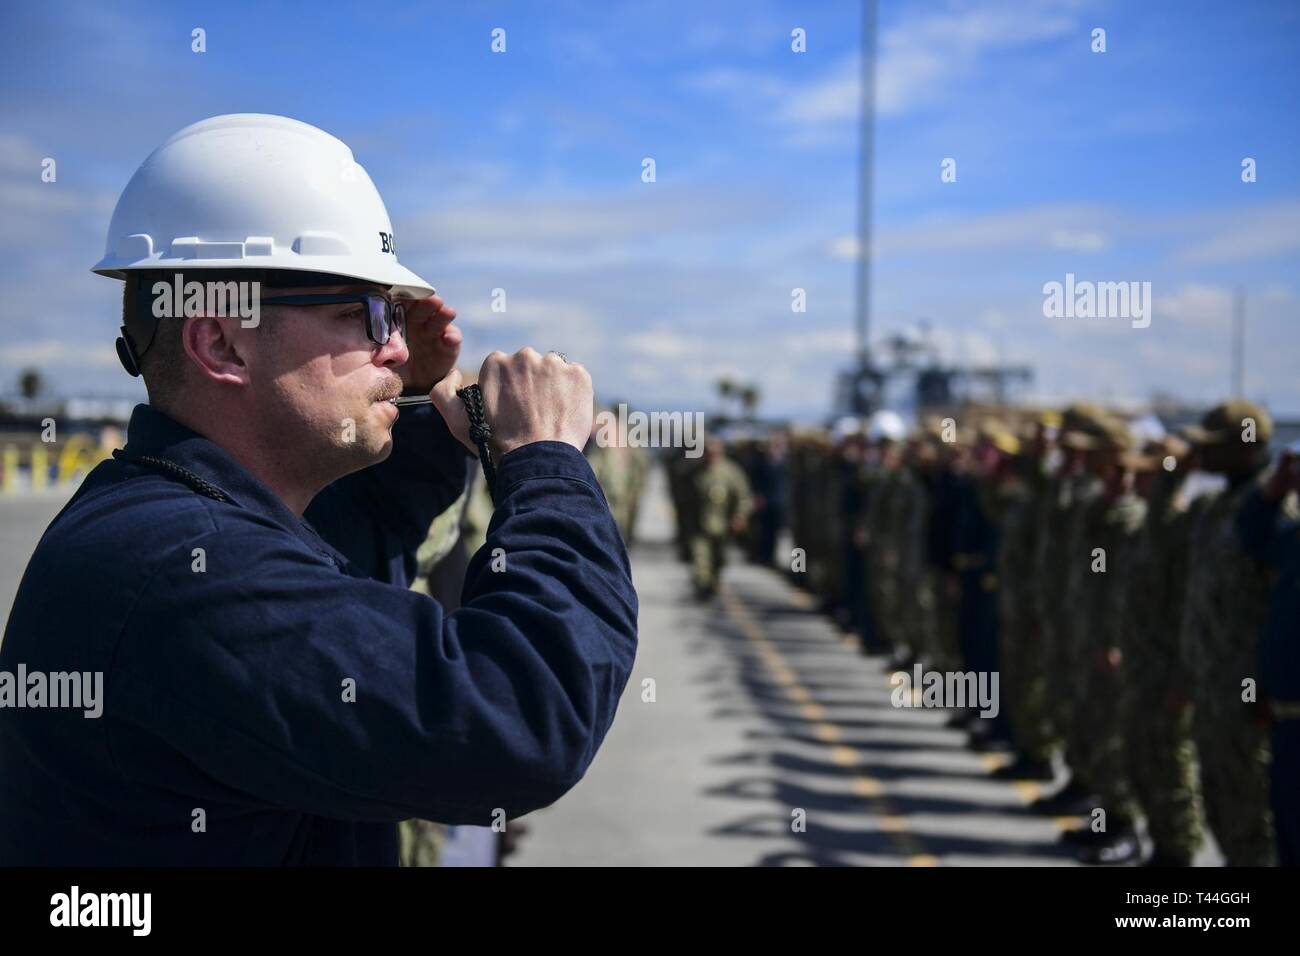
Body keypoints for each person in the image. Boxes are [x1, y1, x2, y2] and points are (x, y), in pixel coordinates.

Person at [0, 114, 638, 865]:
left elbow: (357, 555)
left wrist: (422, 408)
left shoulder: (183, 518)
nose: (397, 346)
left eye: (394, 316)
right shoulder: (184, 564)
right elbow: (521, 717)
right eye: (361, 313)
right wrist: (546, 462)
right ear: (222, 341)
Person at [1238, 448, 1300, 866]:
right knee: (1288, 836)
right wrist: (1272, 490)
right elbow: (1253, 537)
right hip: (1286, 715)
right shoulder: (1294, 537)